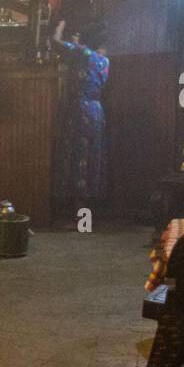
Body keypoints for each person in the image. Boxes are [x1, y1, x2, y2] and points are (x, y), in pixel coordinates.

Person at [51, 19, 110, 220]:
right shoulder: (104, 60)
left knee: (78, 157)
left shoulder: (83, 53)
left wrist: (60, 26)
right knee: (90, 158)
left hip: (79, 110)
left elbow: (56, 42)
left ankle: (78, 216)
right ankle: (84, 217)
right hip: (96, 110)